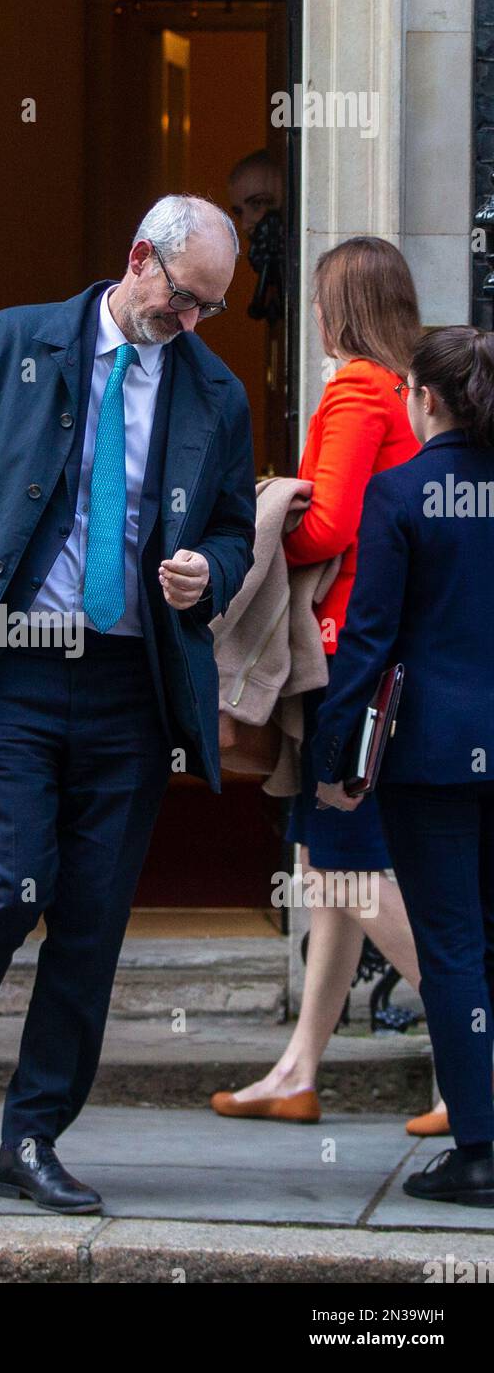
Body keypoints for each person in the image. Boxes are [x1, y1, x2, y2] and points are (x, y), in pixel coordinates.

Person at [0, 194, 256, 1214]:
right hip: (11, 667)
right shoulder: (13, 343)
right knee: (7, 884)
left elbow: (232, 529)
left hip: (132, 683)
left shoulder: (213, 392)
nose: (194, 323)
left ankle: (30, 1136)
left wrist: (203, 570)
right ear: (137, 259)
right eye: (184, 301)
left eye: (211, 308)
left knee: (89, 924)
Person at [212, 237, 439, 1127]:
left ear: (333, 307)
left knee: (343, 863)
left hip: (344, 656)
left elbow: (325, 528)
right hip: (396, 656)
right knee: (330, 864)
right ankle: (299, 1068)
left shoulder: (353, 389)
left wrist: (269, 506)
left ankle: (477, 1042)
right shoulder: (409, 392)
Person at [314, 326, 494, 1207]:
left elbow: (369, 641)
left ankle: (480, 1148)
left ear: (424, 400)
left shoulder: (399, 493)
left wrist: (335, 756)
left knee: (454, 948)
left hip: (430, 758)